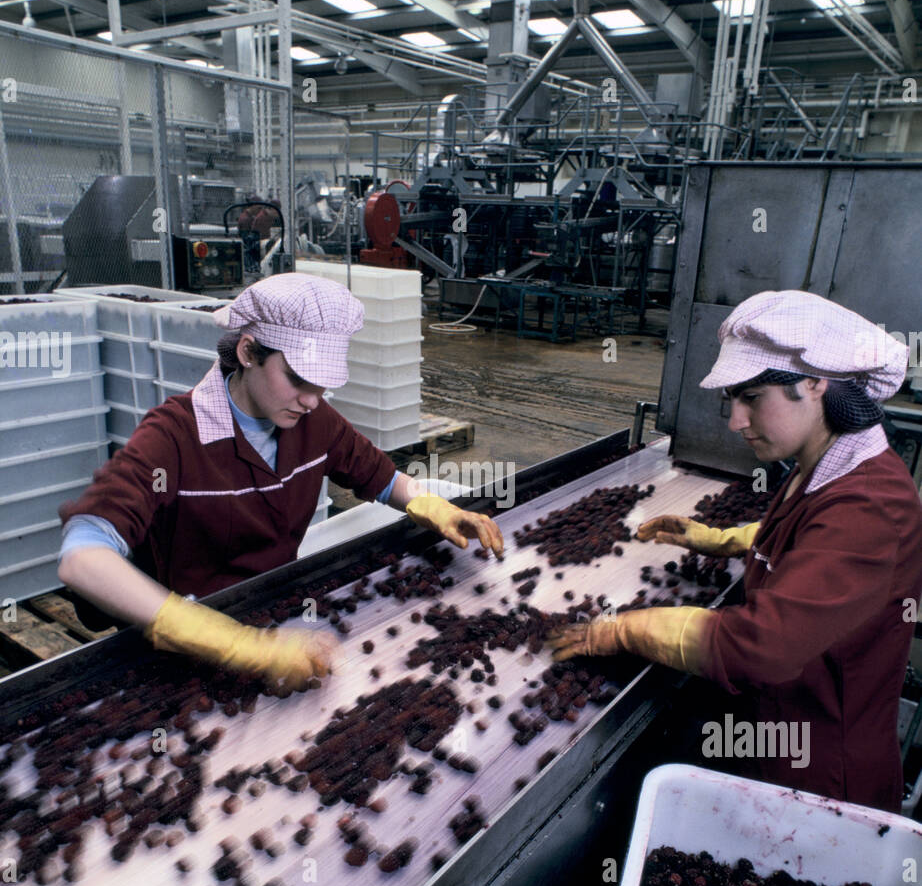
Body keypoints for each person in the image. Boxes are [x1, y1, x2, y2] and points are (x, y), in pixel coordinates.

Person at [548, 290, 922, 813]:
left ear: (815, 384)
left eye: (752, 398)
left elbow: (760, 647)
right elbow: (811, 542)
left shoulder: (873, 504)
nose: (736, 421)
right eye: (733, 402)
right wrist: (721, 539)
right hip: (772, 739)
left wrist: (625, 630)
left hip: (818, 782)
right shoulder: (825, 464)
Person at [58, 273, 502, 688]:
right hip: (192, 649)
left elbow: (382, 480)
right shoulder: (172, 437)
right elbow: (82, 559)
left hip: (281, 619)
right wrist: (235, 644)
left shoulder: (314, 422)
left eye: (323, 387)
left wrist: (436, 509)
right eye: (297, 380)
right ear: (249, 353)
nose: (311, 400)